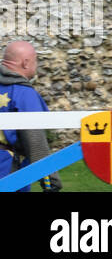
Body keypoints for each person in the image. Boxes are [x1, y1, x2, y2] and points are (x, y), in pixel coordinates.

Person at [0, 41, 60, 192]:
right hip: (5, 166)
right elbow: (35, 141)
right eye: (35, 60)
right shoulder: (23, 92)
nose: (37, 64)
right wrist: (50, 178)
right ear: (25, 63)